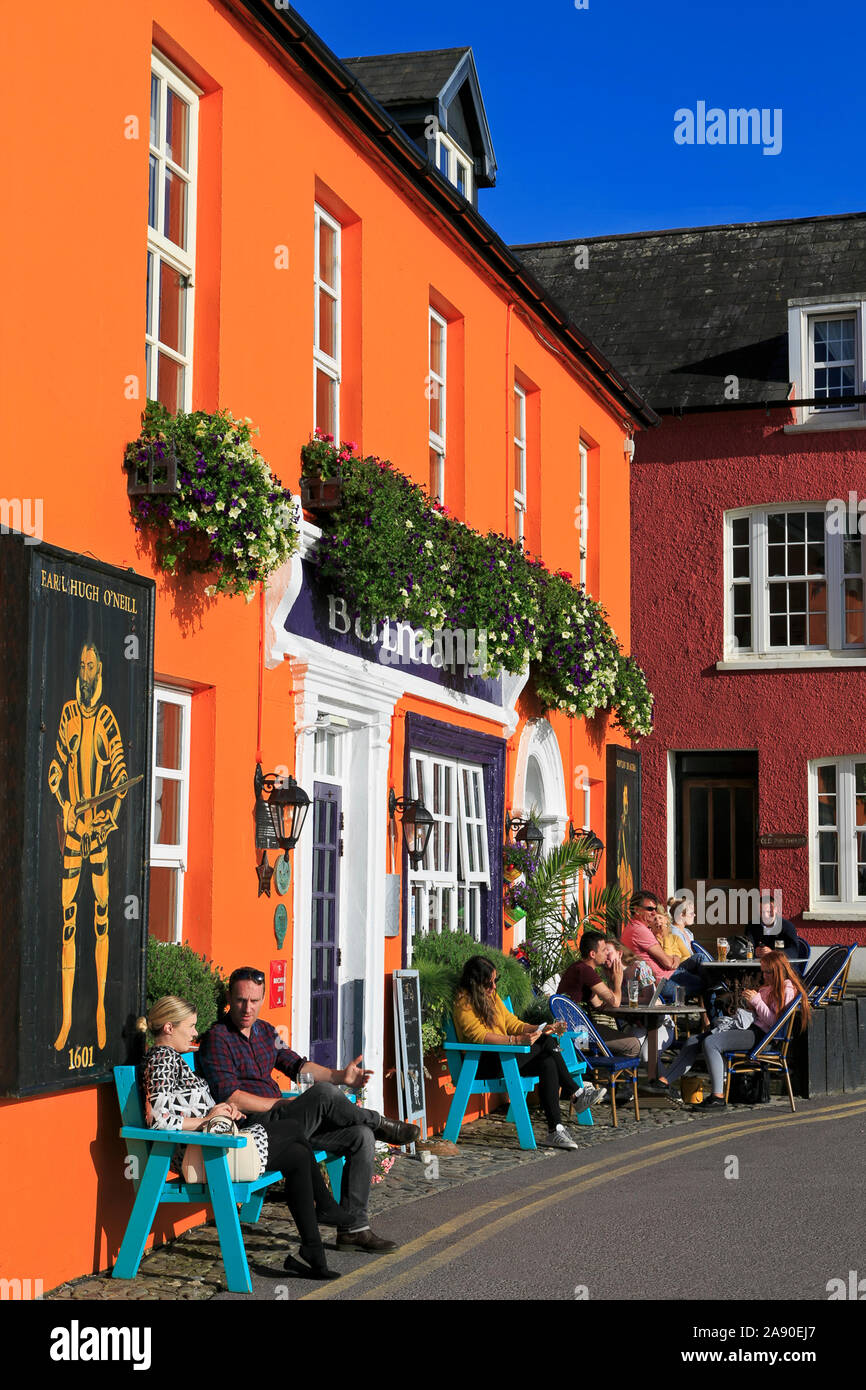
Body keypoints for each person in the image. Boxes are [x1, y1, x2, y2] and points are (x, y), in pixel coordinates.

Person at [197, 966, 418, 1254]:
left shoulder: (265, 1031)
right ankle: (382, 1123)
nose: (247, 1008)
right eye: (240, 1000)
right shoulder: (217, 1038)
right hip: (258, 1130)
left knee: (361, 1136)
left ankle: (354, 1231)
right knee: (325, 1095)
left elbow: (297, 1065)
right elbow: (232, 1097)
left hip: (292, 1126)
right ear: (230, 997)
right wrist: (281, 1104)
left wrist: (342, 1076)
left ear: (262, 998)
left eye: (253, 1001)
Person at [140, 996, 353, 1279]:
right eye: (190, 1027)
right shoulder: (161, 1060)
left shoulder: (172, 1058)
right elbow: (158, 1120)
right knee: (290, 1129)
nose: (195, 1033)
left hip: (215, 1145)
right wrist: (207, 1119)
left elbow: (183, 1107)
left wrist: (220, 1110)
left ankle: (313, 1251)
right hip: (205, 1155)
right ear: (168, 1028)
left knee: (299, 1155)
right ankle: (326, 1207)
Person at [452, 956, 591, 1149]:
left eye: (495, 981)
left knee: (547, 1061)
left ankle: (556, 1129)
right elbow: (478, 1036)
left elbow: (511, 1022)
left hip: (502, 1057)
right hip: (481, 1063)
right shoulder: (463, 1003)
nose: (493, 987)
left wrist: (540, 1028)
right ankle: (575, 1092)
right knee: (546, 1042)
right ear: (474, 983)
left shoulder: (490, 996)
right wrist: (516, 1040)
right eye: (488, 983)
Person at [649, 951, 812, 1108]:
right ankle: (664, 1082)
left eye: (767, 972)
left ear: (778, 971)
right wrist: (751, 1003)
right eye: (763, 972)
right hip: (753, 1028)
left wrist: (756, 1001)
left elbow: (775, 1023)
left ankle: (717, 1097)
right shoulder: (769, 986)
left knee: (711, 1043)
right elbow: (762, 1013)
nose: (764, 976)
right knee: (693, 1041)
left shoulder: (786, 989)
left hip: (763, 1037)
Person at [558, 932, 641, 1058]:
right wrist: (618, 981)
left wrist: (627, 1017)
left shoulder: (579, 968)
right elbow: (615, 1002)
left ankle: (607, 1071)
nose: (606, 953)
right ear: (592, 954)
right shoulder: (585, 971)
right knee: (634, 1044)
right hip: (579, 1032)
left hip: (576, 1028)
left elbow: (599, 1006)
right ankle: (612, 1074)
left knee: (627, 1039)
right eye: (603, 950)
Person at [622, 890, 705, 1004]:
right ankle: (718, 1017)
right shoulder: (640, 931)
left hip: (667, 974)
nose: (654, 913)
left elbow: (672, 960)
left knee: (699, 958)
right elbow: (668, 963)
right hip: (664, 982)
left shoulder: (634, 927)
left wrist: (674, 958)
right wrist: (675, 957)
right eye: (650, 909)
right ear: (636, 910)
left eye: (655, 909)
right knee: (709, 984)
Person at [746, 895, 800, 963]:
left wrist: (773, 953)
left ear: (776, 910)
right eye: (762, 912)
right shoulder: (752, 926)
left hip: (781, 966)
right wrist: (754, 951)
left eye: (769, 912)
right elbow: (746, 947)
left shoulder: (787, 927)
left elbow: (794, 951)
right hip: (758, 967)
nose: (765, 915)